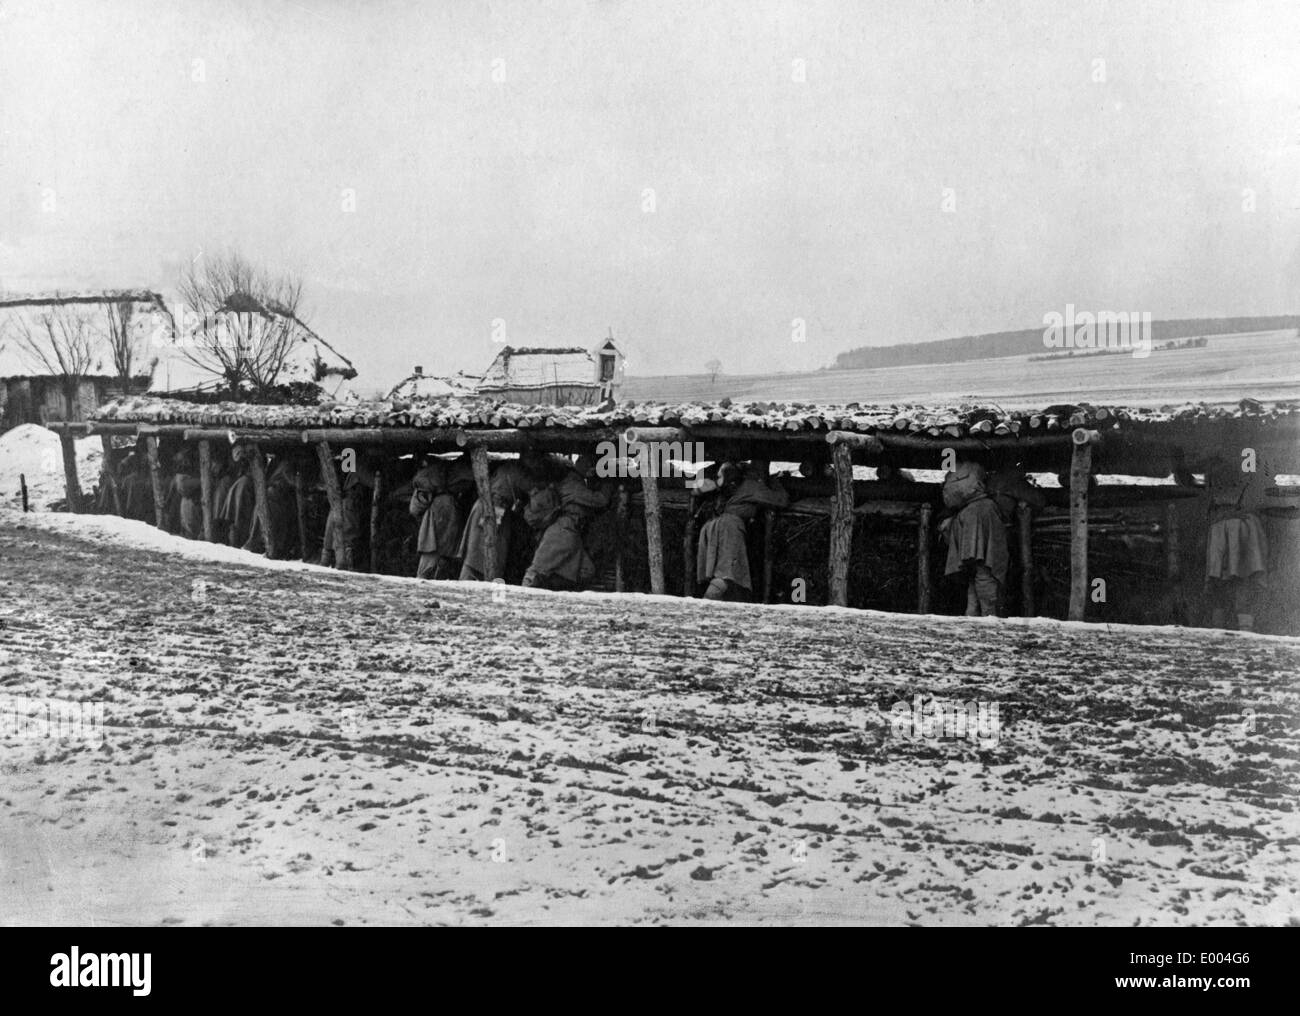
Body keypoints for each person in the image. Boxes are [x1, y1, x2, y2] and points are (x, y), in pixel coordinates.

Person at [695, 461, 789, 601]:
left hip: (713, 529)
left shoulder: (723, 485)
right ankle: (706, 603)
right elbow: (782, 500)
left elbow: (697, 488)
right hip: (729, 529)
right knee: (726, 572)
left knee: (726, 573)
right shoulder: (751, 487)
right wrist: (775, 481)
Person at [521, 454, 610, 590]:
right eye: (590, 467)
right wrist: (609, 483)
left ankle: (551, 590)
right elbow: (600, 500)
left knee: (586, 571)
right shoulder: (573, 483)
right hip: (562, 531)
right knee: (538, 568)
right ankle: (522, 593)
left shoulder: (576, 481)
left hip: (571, 531)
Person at [1204, 454, 1270, 631]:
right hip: (1225, 530)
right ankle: (1222, 632)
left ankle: (1244, 631)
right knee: (1223, 583)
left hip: (1241, 530)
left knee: (1240, 581)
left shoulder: (1246, 490)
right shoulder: (1214, 496)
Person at [940, 458, 1007, 617]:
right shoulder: (988, 502)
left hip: (967, 519)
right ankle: (988, 619)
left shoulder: (966, 505)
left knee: (974, 577)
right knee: (985, 573)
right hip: (981, 517)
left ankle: (972, 618)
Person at [457, 455, 536, 582]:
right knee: (484, 553)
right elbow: (534, 490)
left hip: (488, 507)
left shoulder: (509, 466)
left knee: (478, 552)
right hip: (493, 509)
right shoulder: (520, 472)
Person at [410, 453, 474, 579]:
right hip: (444, 519)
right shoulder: (432, 481)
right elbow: (415, 508)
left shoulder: (429, 480)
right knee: (433, 562)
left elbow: (415, 509)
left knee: (431, 562)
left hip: (440, 520)